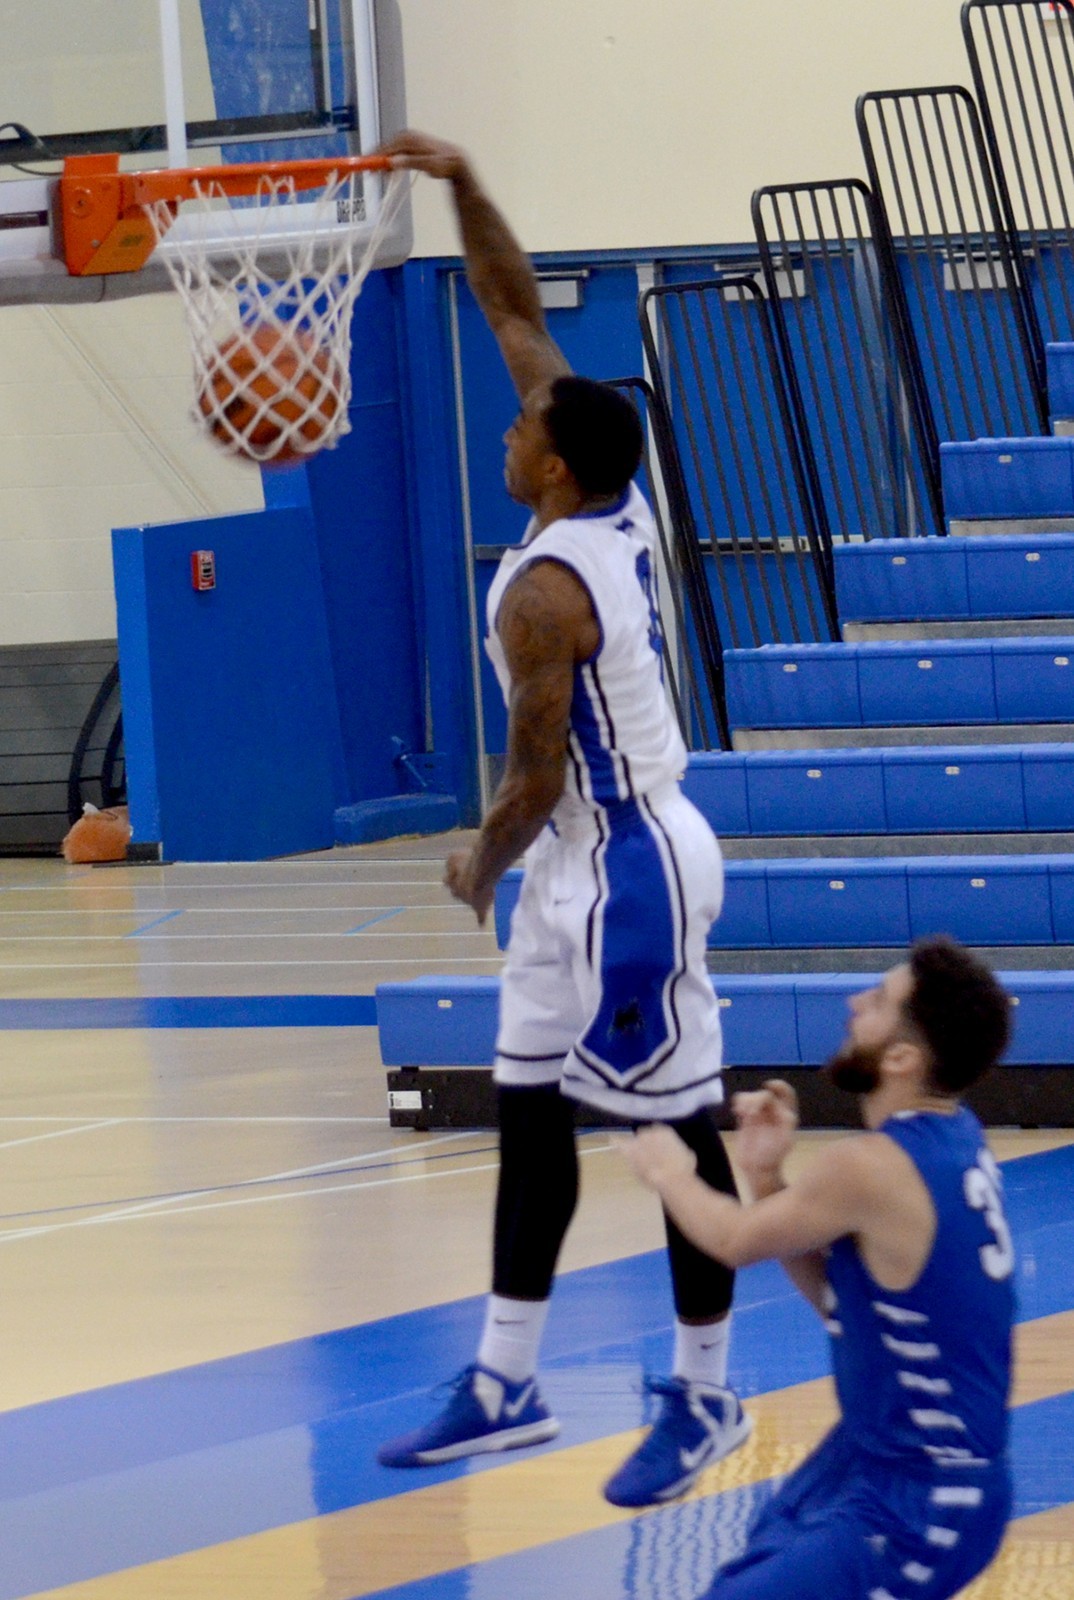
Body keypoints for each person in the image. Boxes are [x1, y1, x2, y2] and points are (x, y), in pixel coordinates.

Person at [375, 130, 749, 1508]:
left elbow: (535, 779)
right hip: (589, 866)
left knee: (672, 1135)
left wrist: (481, 857)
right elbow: (515, 310)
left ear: (549, 470)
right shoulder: (603, 485)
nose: (510, 418)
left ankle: (707, 1396)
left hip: (627, 869)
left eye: (523, 425)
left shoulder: (544, 596)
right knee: (531, 1112)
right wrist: (459, 184)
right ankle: (506, 1378)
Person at [621, 936, 1014, 1600]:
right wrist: (766, 1174)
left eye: (879, 1000)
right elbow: (848, 1307)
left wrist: (672, 1172)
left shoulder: (869, 1167)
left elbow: (735, 1241)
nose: (855, 1001)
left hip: (925, 1496)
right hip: (871, 1461)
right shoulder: (954, 1135)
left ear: (901, 1058)